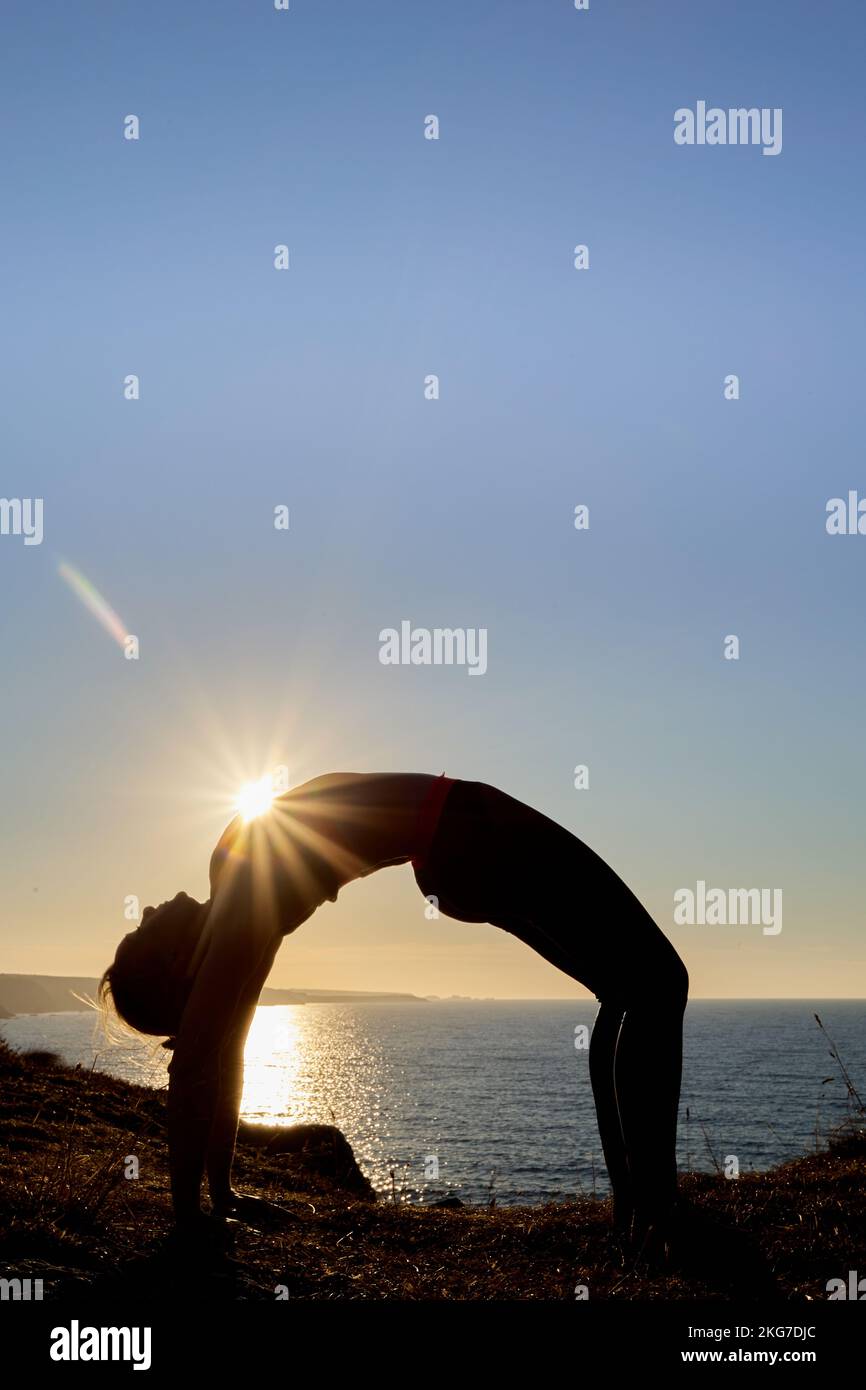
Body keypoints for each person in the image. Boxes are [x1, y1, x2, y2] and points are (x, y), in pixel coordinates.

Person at [101, 772, 688, 1262]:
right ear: (171, 963)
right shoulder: (240, 900)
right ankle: (658, 1210)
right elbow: (198, 1063)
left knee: (628, 990)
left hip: (457, 854)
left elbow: (225, 1052)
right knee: (660, 984)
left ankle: (639, 1207)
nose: (147, 910)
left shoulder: (242, 914)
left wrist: (223, 1193)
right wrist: (189, 1215)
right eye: (140, 930)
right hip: (471, 831)